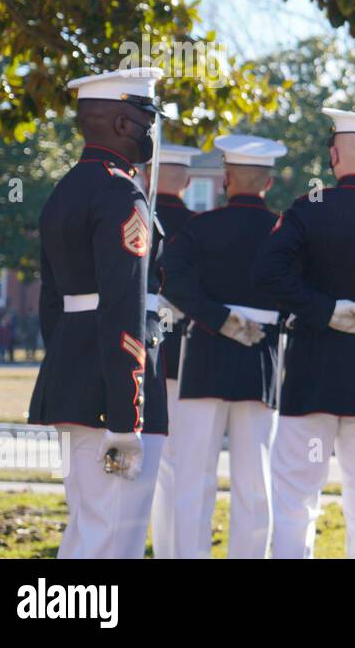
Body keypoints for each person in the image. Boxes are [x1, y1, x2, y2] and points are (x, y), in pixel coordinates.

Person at [254, 108, 355, 559]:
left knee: (296, 500)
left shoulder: (309, 210)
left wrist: (324, 311)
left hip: (313, 375)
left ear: (333, 154)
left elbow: (269, 274)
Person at [29, 67, 167, 558]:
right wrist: (127, 413)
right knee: (113, 534)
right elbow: (124, 304)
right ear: (124, 124)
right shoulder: (121, 195)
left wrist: (71, 363)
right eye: (147, 118)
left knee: (89, 527)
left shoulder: (66, 190)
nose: (153, 130)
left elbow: (52, 302)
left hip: (74, 377)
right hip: (115, 391)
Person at [160, 134, 286, 559]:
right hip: (261, 356)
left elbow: (171, 280)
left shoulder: (201, 226)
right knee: (256, 478)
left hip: (205, 354)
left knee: (193, 475)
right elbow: (302, 290)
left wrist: (216, 317)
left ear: (227, 179)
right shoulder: (283, 230)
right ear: (267, 183)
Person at [144, 142, 200, 559]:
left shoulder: (134, 212)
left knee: (151, 458)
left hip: (141, 350)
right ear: (188, 181)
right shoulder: (201, 226)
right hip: (190, 355)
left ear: (148, 175)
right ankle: (180, 549)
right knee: (185, 462)